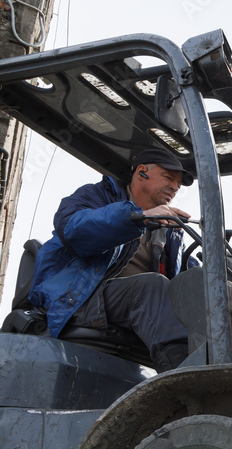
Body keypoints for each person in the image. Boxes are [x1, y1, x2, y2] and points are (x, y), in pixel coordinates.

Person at [29, 147, 195, 371]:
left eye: (178, 184)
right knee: (152, 286)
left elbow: (186, 277)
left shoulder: (169, 231)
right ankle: (186, 377)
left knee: (202, 293)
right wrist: (137, 218)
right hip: (80, 298)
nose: (175, 187)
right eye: (169, 177)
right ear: (142, 172)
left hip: (134, 311)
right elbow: (74, 231)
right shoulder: (97, 197)